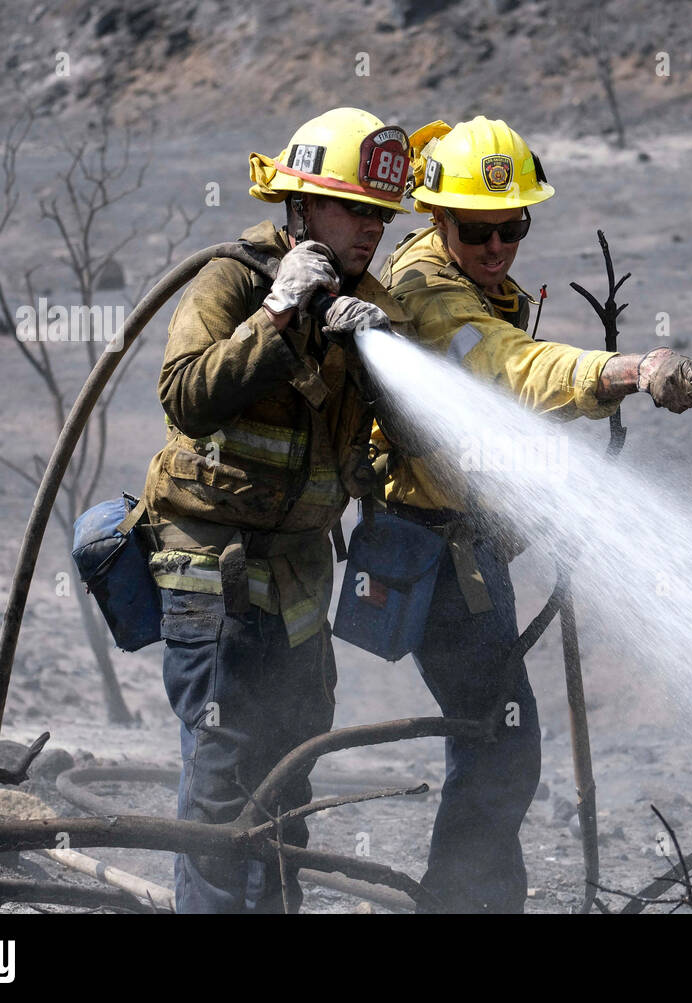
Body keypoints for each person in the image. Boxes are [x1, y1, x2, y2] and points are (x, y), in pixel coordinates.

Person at [375, 115, 692, 912]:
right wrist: (628, 369)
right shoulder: (428, 292)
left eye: (513, 227)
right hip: (430, 548)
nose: (497, 246)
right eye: (478, 229)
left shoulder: (474, 279)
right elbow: (509, 371)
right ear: (436, 217)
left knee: (499, 743)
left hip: (467, 536)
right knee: (501, 746)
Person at [139, 107, 412, 912]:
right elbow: (185, 396)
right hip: (210, 579)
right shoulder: (236, 278)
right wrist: (275, 316)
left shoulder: (370, 304)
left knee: (289, 788)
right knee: (222, 790)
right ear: (300, 208)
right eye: (353, 210)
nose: (370, 231)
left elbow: (393, 455)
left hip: (299, 588)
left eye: (381, 216)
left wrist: (382, 361)